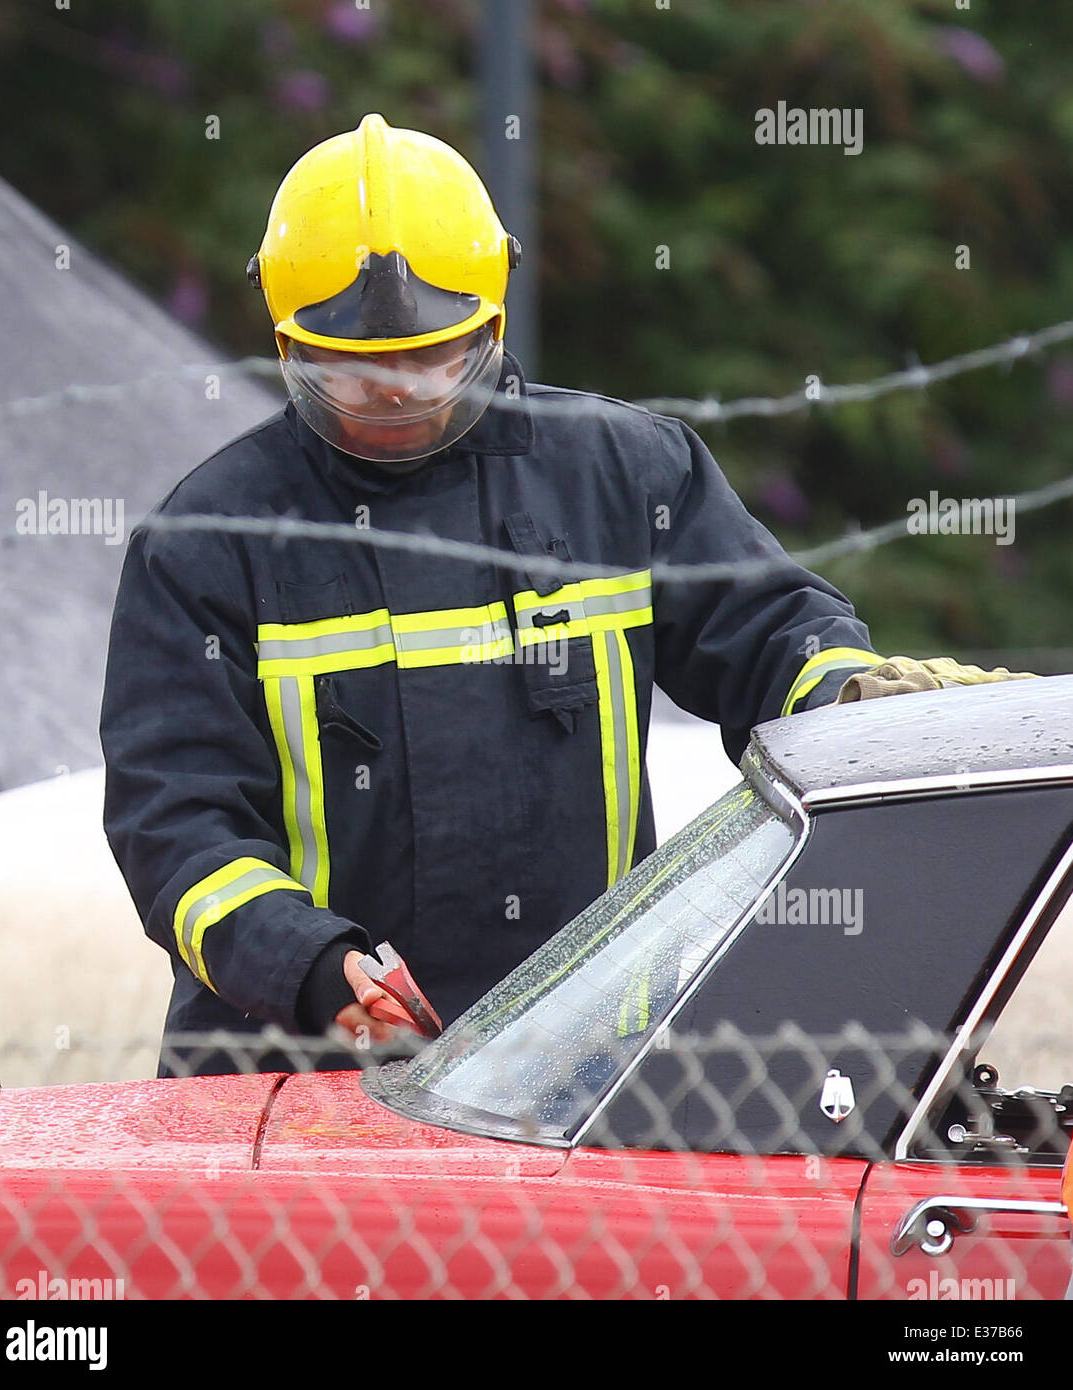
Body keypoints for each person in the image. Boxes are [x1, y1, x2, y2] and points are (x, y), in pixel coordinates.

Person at [101, 113, 893, 1077]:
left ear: (492, 321)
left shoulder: (624, 476)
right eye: (350, 368)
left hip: (574, 1077)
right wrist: (308, 970)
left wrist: (853, 703)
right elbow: (172, 822)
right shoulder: (210, 545)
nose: (394, 390)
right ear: (285, 342)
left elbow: (769, 637)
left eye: (430, 357)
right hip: (293, 1092)